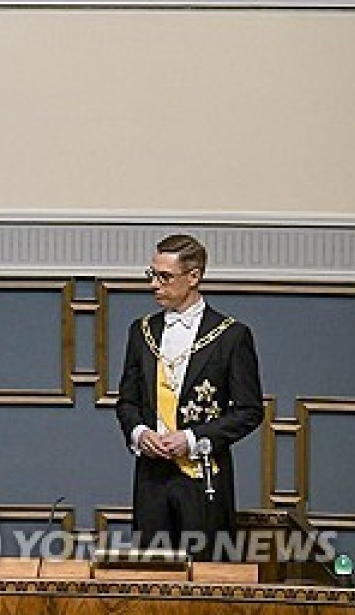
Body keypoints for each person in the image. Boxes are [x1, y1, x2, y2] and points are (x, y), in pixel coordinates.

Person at [115, 234, 264, 560]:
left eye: (164, 277)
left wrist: (193, 438)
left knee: (206, 576)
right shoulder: (140, 332)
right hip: (151, 481)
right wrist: (140, 434)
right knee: (150, 578)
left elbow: (250, 411)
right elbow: (126, 402)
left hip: (204, 480)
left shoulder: (231, 336)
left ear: (194, 276)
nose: (154, 285)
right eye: (151, 275)